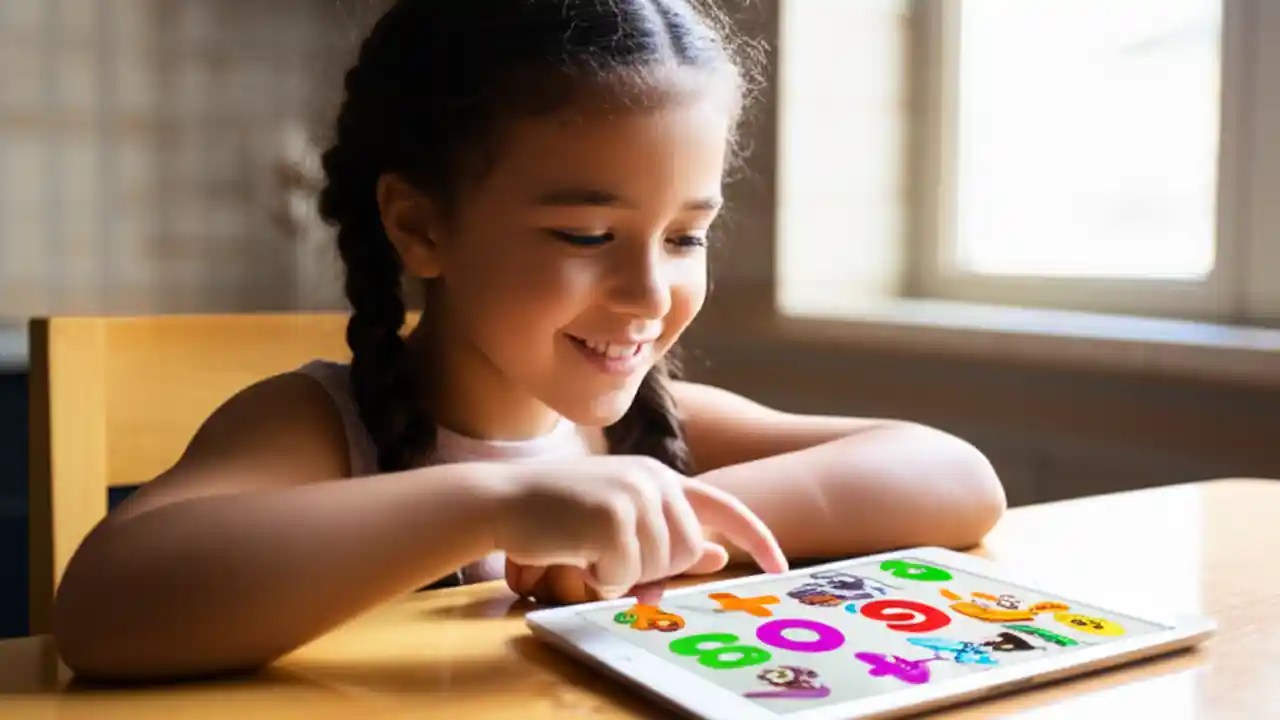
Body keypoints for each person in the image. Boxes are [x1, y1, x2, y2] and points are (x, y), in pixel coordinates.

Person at [51, 0, 1006, 683]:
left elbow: (956, 477)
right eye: (586, 236)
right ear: (421, 227)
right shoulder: (319, 427)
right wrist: (500, 505)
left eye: (686, 237)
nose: (649, 293)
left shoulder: (649, 435)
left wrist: (671, 522)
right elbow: (103, 610)